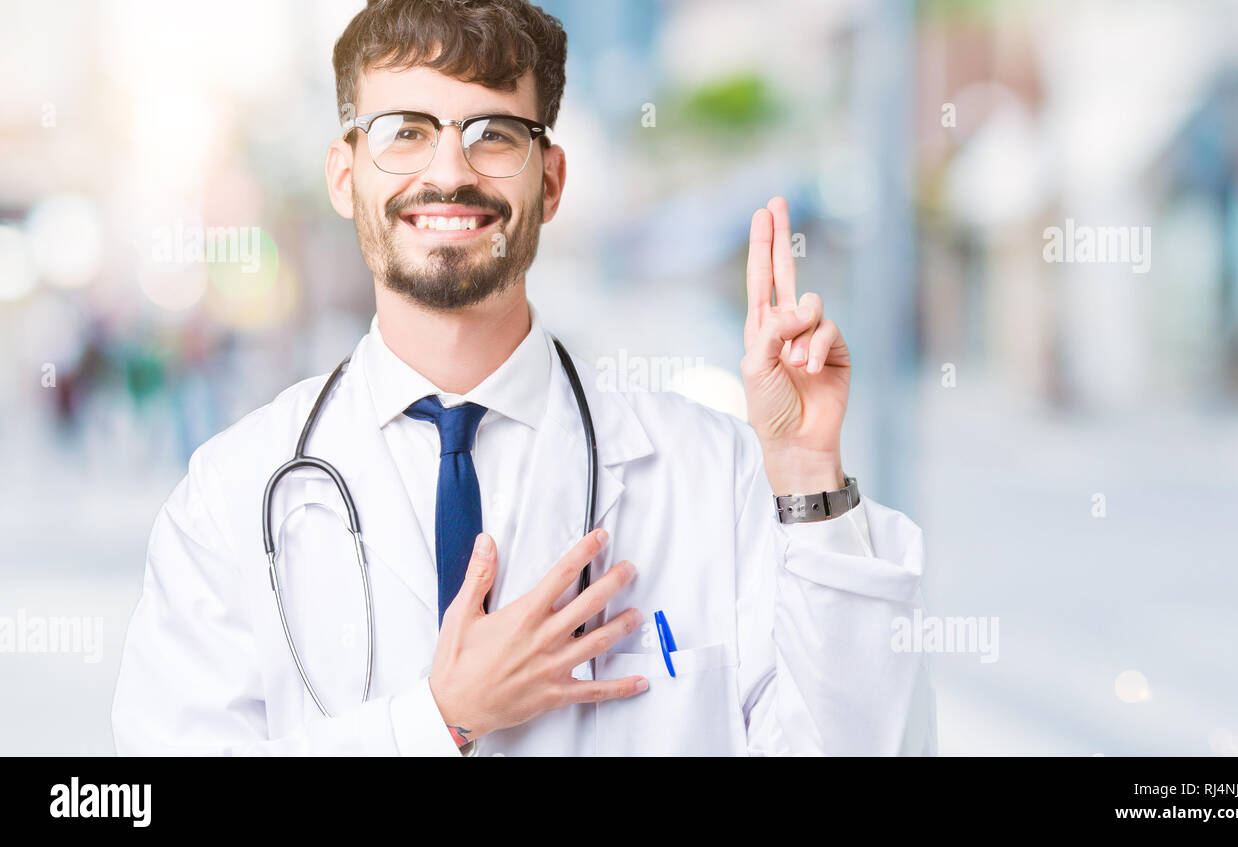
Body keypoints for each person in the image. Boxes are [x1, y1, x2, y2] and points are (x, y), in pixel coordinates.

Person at [111, 0, 936, 756]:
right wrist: (437, 718)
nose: (449, 172)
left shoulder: (716, 477)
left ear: (551, 180)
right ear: (343, 174)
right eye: (405, 131)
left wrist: (808, 474)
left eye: (494, 134)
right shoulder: (228, 498)